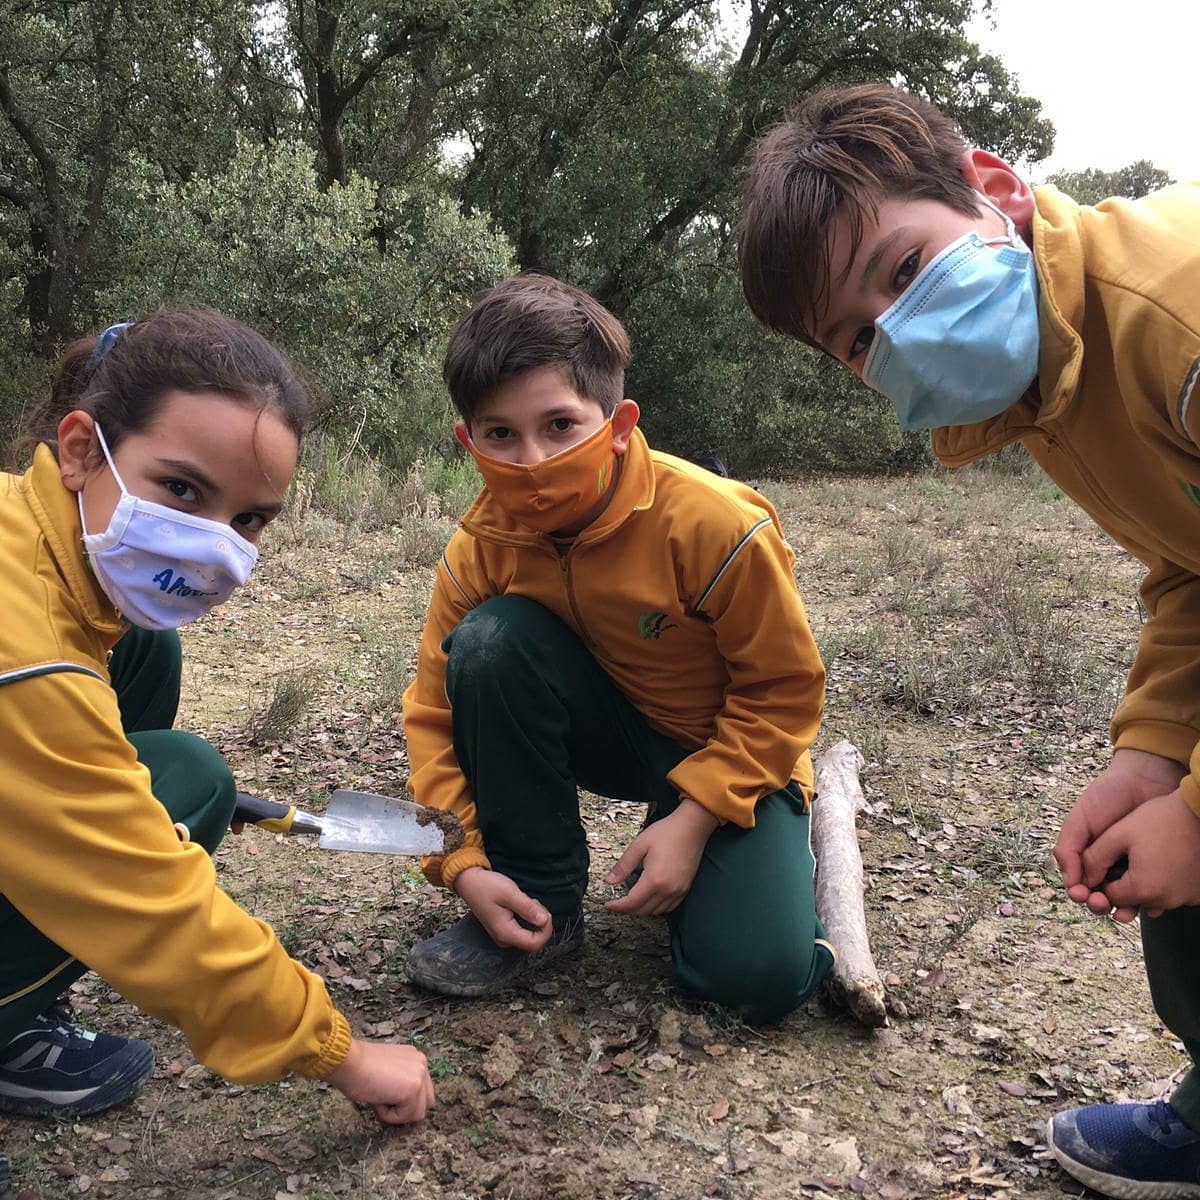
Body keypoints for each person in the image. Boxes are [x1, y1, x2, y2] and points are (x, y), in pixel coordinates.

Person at [737, 82, 1200, 1198]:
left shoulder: (1172, 319)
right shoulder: (1052, 376)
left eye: (903, 269)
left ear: (993, 187)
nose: (894, 332)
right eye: (854, 338)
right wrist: (1153, 753)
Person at [0, 310, 434, 1127]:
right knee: (190, 780)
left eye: (248, 519)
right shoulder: (25, 657)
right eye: (183, 489)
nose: (212, 543)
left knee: (143, 652)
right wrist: (340, 1051)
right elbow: (145, 900)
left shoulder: (24, 532)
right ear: (81, 450)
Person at [400, 274, 832, 1024]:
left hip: (726, 746)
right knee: (490, 644)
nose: (531, 459)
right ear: (468, 441)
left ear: (619, 422)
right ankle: (541, 901)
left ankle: (764, 854)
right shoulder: (479, 547)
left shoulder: (714, 524)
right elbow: (434, 719)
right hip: (606, 736)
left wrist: (693, 817)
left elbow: (784, 692)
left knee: (756, 980)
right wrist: (461, 863)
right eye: (500, 434)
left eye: (560, 425)